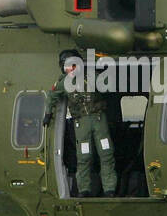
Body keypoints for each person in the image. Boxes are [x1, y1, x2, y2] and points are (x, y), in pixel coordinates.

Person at [45, 49, 118, 197]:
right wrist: (48, 113)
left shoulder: (90, 77)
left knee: (106, 154)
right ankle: (84, 189)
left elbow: (106, 84)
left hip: (98, 120)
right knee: (84, 156)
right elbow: (52, 97)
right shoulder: (63, 83)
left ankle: (109, 188)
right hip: (81, 124)